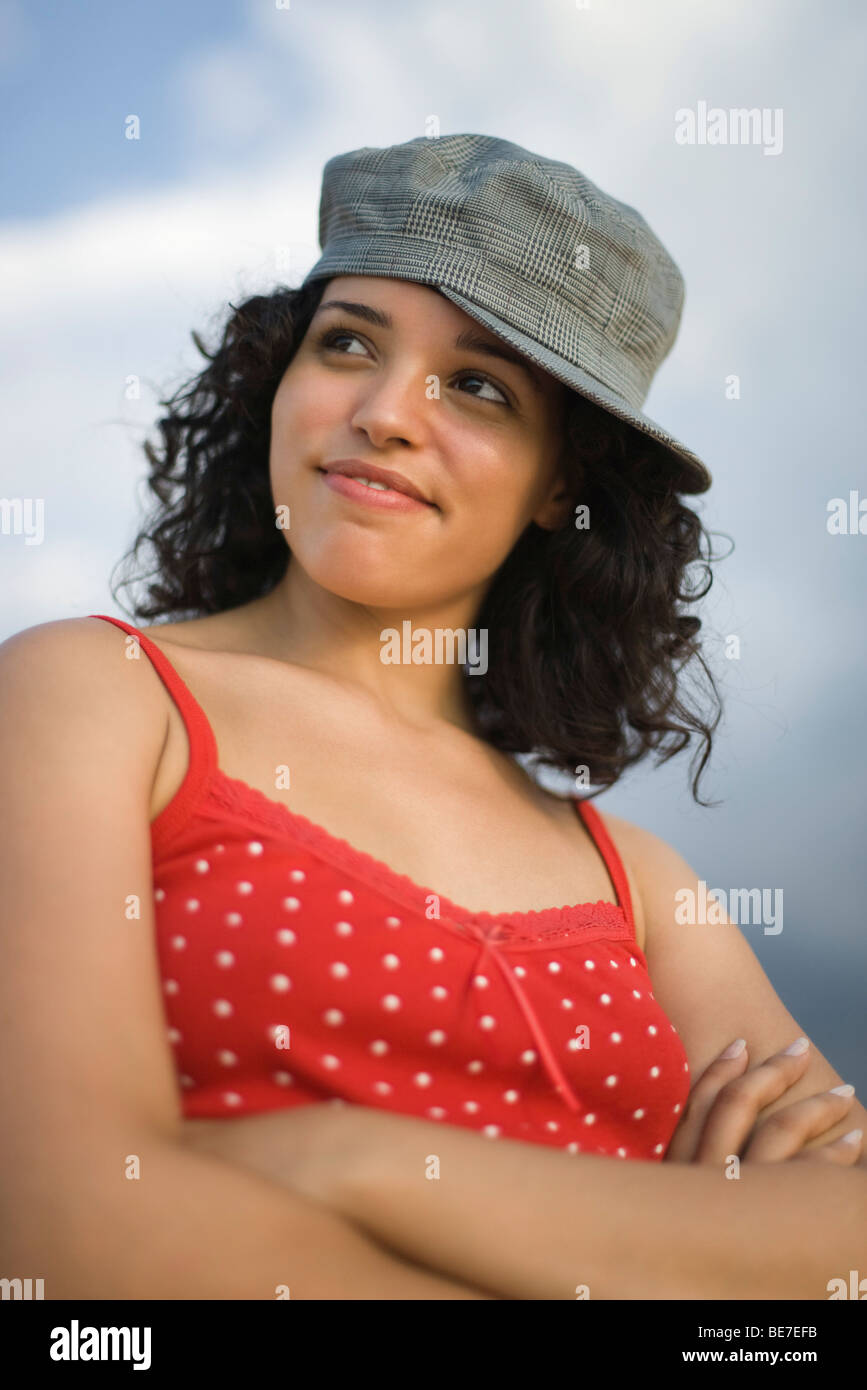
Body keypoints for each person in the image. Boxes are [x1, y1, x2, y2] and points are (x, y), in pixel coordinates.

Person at [1, 135, 864, 1301]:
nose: (385, 413)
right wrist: (682, 1251)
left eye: (479, 385)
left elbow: (846, 1256)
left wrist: (350, 1158)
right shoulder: (91, 696)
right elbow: (69, 1241)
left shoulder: (642, 888)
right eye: (347, 341)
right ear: (279, 381)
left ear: (563, 483)